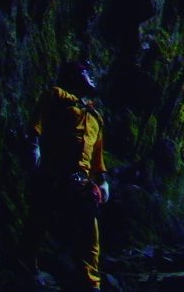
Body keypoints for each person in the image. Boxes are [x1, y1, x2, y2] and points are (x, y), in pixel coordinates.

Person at [24, 60, 109, 291]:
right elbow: (37, 120)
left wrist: (102, 181)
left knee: (89, 225)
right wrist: (33, 144)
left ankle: (89, 281)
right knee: (39, 218)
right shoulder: (57, 96)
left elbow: (97, 156)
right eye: (84, 73)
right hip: (54, 169)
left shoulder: (95, 118)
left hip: (80, 180)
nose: (89, 78)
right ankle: (26, 265)